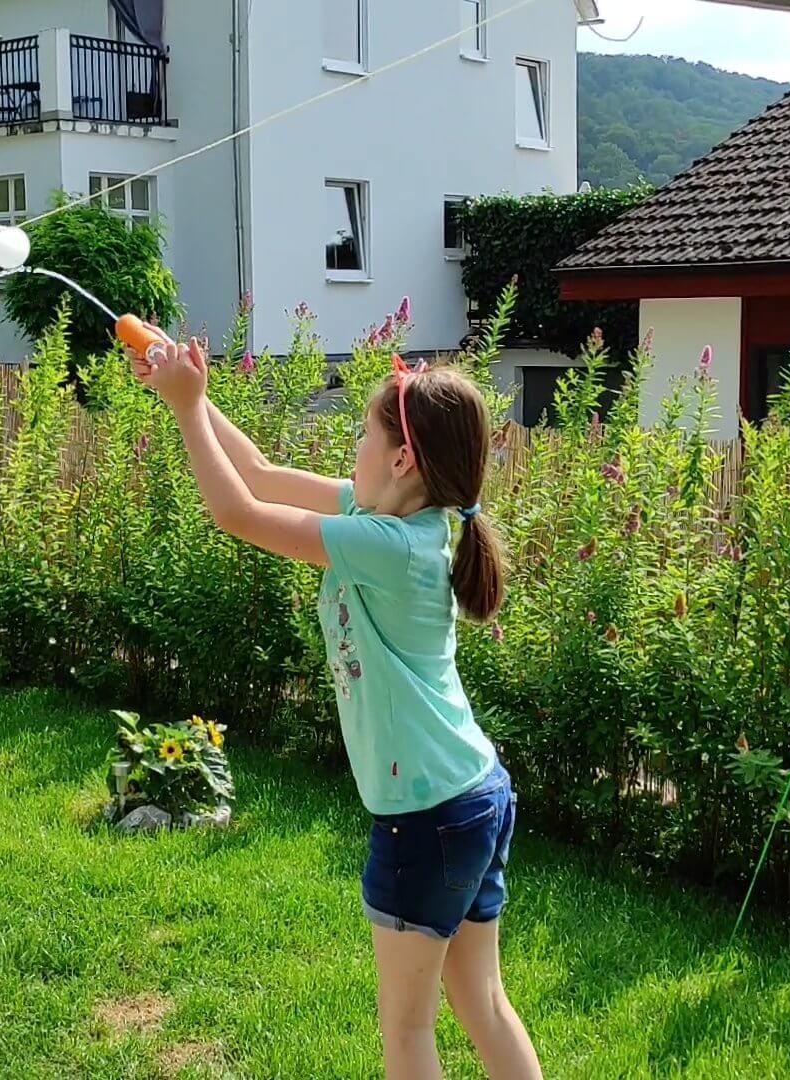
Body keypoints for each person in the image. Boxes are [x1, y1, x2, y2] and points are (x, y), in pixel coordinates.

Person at [130, 340, 540, 1079]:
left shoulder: (390, 545)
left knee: (408, 1032)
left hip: (428, 815)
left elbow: (239, 514)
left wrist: (186, 408)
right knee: (481, 1000)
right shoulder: (406, 521)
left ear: (402, 461)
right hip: (471, 792)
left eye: (362, 434)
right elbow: (255, 474)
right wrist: (186, 392)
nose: (351, 447)